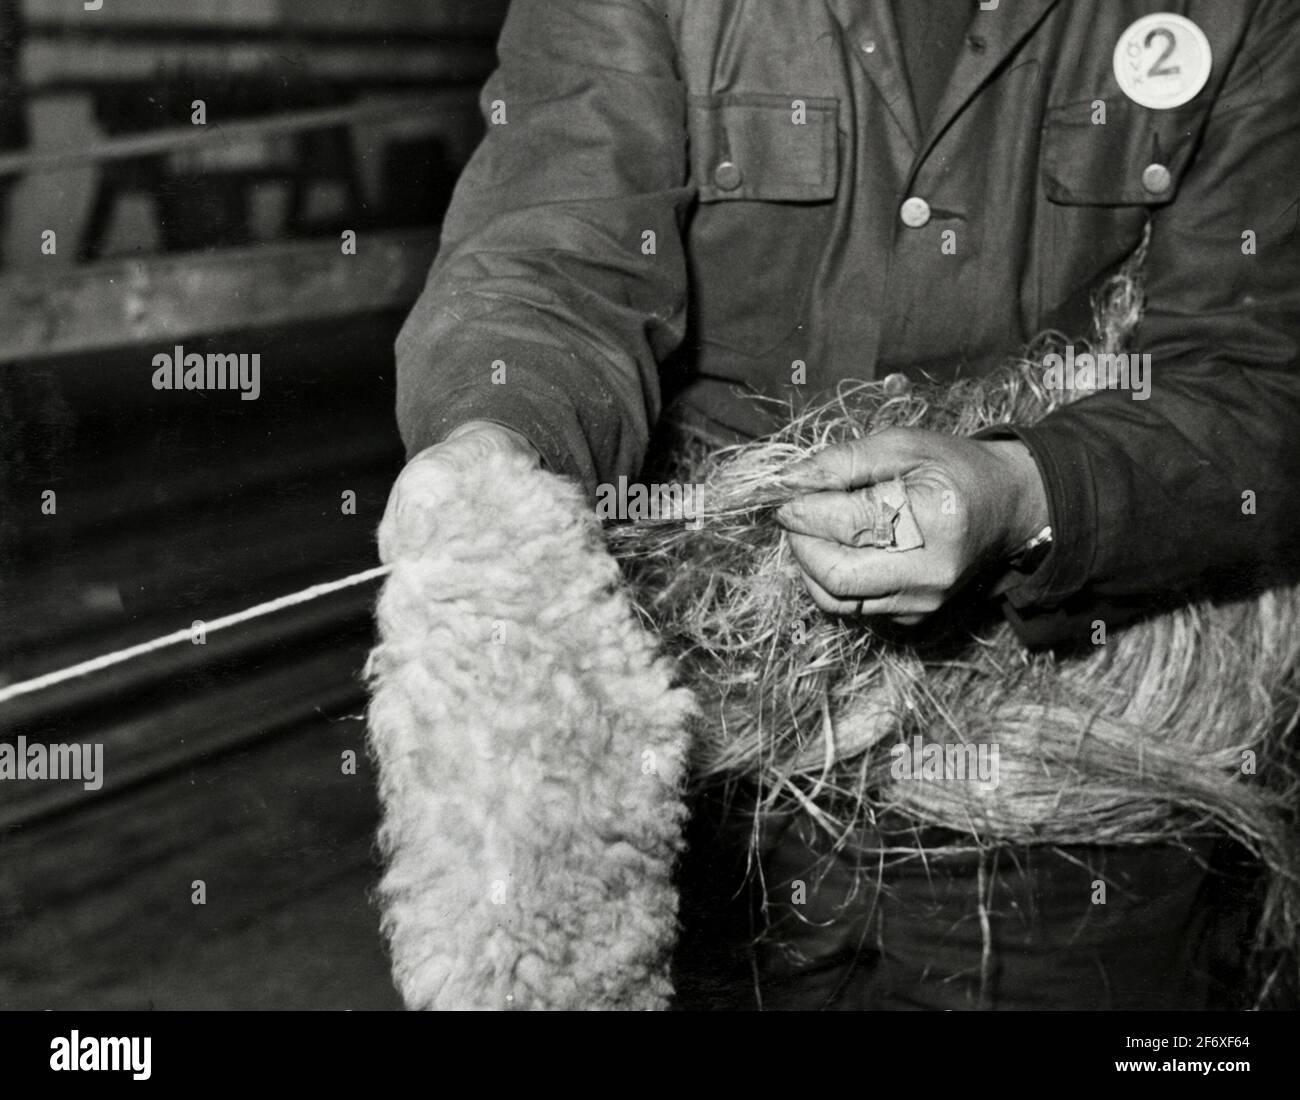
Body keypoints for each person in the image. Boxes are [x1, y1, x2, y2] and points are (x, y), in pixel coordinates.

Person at [383, 0, 1300, 1009]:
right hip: (725, 762)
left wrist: (1023, 493)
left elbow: (1260, 373)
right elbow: (550, 258)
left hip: (1073, 793)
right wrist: (495, 449)